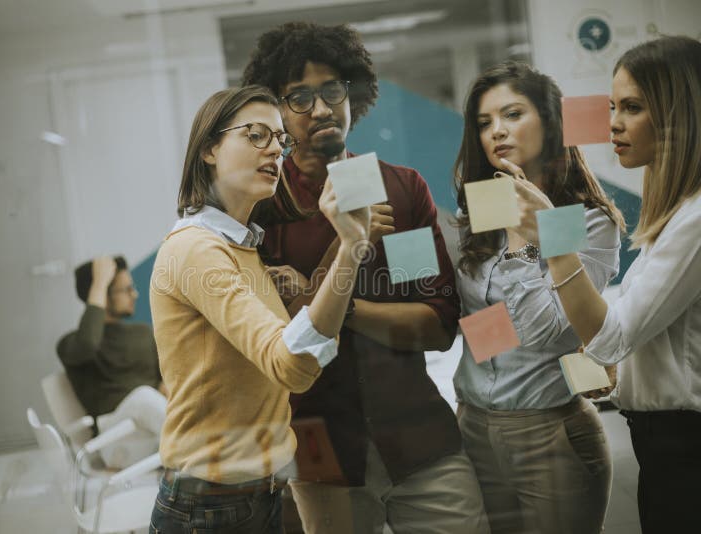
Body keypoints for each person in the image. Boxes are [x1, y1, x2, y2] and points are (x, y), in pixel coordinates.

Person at [243, 22, 489, 534]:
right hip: (320, 454)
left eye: (332, 89)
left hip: (419, 438)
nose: (322, 108)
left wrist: (331, 309)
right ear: (277, 113)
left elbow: (435, 323)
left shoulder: (396, 192)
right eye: (299, 96)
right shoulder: (261, 209)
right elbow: (273, 345)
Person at [147, 85, 370, 534]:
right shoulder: (196, 249)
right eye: (256, 135)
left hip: (245, 495)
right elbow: (292, 366)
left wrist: (273, 285)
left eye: (279, 139)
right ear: (209, 147)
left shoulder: (239, 247)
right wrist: (351, 247)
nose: (276, 151)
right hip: (211, 507)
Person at [510, 36, 701, 534]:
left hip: (679, 449)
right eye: (613, 105)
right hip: (650, 441)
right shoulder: (675, 216)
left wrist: (547, 237)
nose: (613, 122)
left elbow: (606, 333)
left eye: (633, 107)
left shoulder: (597, 219)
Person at [451, 60, 625, 534]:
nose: (496, 132)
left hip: (550, 433)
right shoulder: (477, 210)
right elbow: (476, 316)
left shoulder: (582, 219)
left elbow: (546, 331)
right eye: (484, 123)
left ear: (549, 122)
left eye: (512, 115)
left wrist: (525, 234)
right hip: (473, 428)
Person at [57, 255, 167, 467]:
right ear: (102, 296)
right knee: (144, 397)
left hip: (156, 431)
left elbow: (166, 377)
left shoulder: (144, 332)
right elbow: (88, 344)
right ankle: (204, 454)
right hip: (115, 439)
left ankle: (203, 455)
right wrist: (99, 282)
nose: (134, 294)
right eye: (126, 290)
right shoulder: (72, 344)